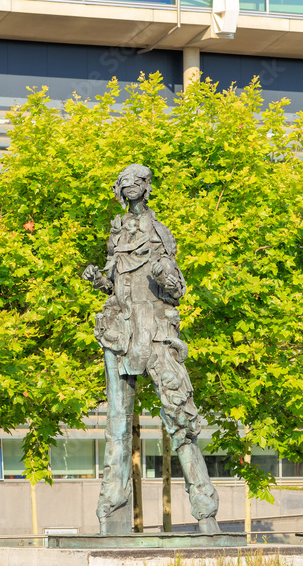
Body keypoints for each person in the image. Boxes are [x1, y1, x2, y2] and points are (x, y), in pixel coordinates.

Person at [83, 163, 220, 534]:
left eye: (136, 182)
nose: (130, 187)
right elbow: (113, 285)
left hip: (157, 333)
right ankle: (112, 507)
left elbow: (176, 290)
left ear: (146, 188)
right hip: (120, 334)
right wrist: (100, 279)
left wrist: (164, 274)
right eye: (124, 182)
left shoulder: (160, 232)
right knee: (116, 423)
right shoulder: (116, 232)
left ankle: (205, 511)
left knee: (181, 419)